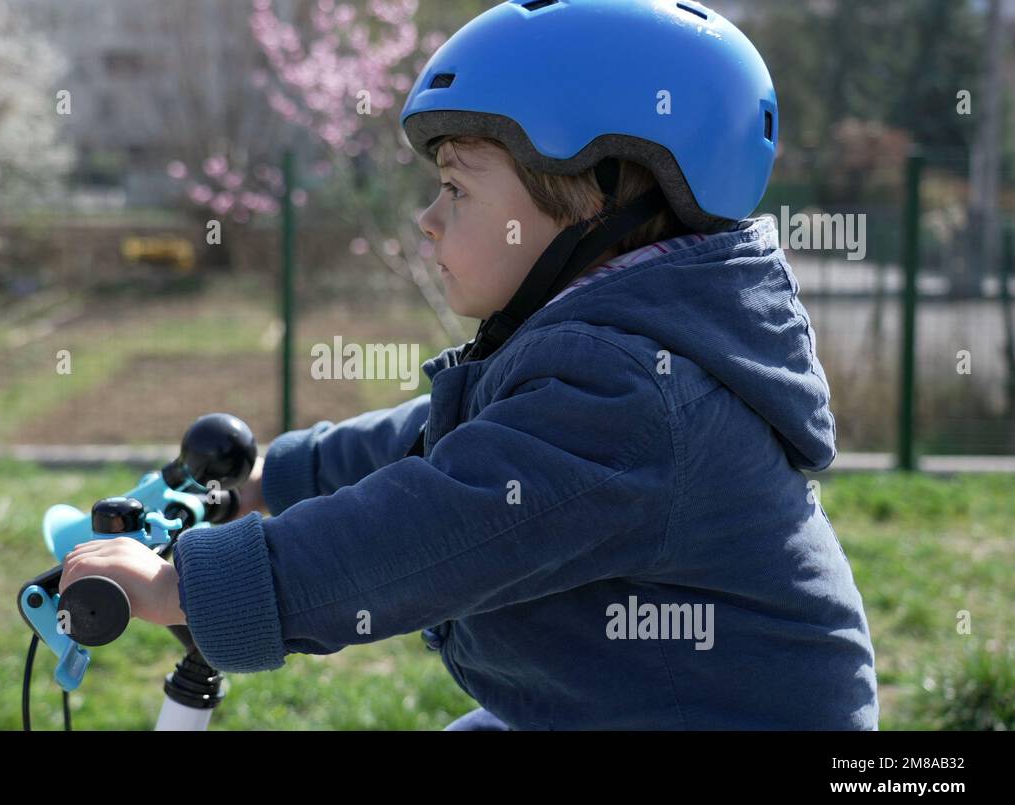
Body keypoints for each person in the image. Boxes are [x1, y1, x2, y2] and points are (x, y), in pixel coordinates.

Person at [58, 0, 879, 730]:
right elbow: (436, 440)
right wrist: (274, 477)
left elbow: (423, 528)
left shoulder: (632, 398)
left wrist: (190, 590)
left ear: (594, 196)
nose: (428, 218)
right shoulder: (611, 345)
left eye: (457, 186)